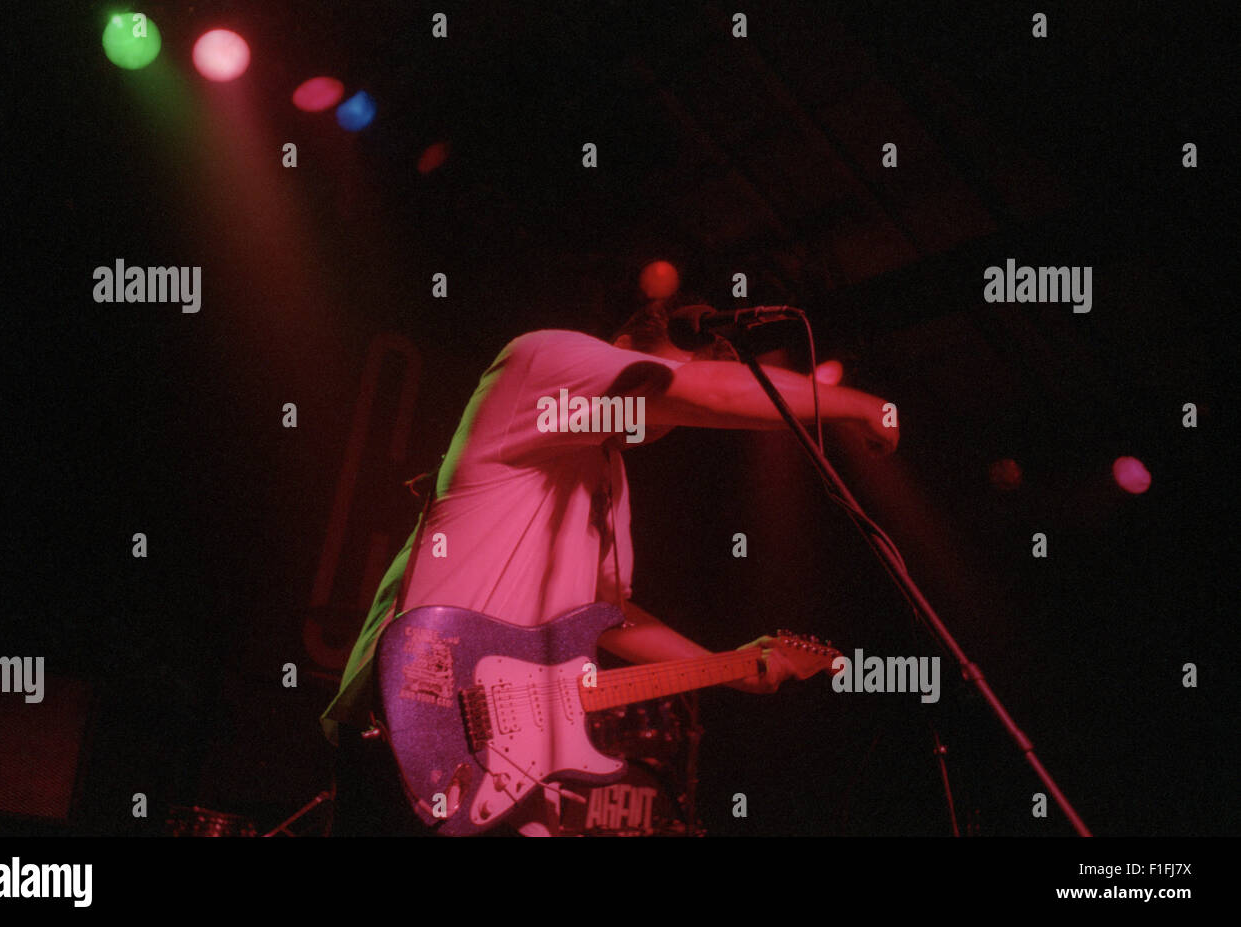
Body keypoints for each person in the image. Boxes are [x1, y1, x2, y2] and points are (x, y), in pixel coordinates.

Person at [320, 299, 898, 836]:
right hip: (421, 703)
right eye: (671, 386)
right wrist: (857, 405)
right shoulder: (539, 362)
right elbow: (690, 392)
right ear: (620, 345)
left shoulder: (611, 480)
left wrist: (733, 668)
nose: (664, 422)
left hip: (507, 756)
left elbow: (609, 615)